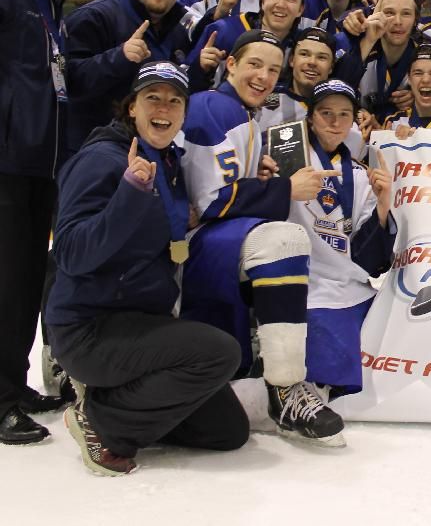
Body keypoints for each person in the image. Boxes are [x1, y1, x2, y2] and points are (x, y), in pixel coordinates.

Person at [46, 62, 249, 475]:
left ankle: (115, 399)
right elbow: (71, 254)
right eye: (152, 98)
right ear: (132, 109)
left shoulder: (166, 159)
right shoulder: (103, 159)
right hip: (90, 329)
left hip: (138, 322)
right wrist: (130, 194)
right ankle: (102, 423)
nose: (164, 107)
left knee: (228, 431)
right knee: (218, 353)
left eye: (175, 101)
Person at [180, 29, 345, 444]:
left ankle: (280, 381)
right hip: (181, 248)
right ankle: (286, 387)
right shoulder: (216, 107)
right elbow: (211, 201)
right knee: (284, 241)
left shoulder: (241, 113)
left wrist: (261, 179)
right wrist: (284, 190)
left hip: (199, 241)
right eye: (254, 64)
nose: (264, 76)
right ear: (230, 64)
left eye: (273, 69)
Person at [0, 0, 83, 445]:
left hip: (36, 164)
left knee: (26, 281)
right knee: (6, 282)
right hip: (7, 162)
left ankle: (13, 382)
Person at [287, 80, 396, 398]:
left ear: (353, 121)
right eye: (326, 113)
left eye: (343, 114)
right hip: (303, 285)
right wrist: (285, 189)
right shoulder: (288, 162)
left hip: (352, 286)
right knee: (334, 370)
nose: (335, 122)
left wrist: (383, 204)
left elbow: (370, 262)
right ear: (311, 118)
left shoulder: (361, 176)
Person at [65, 0, 198, 152]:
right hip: (98, 156)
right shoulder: (93, 18)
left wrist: (201, 67)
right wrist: (120, 57)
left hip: (154, 153)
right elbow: (69, 83)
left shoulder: (180, 27)